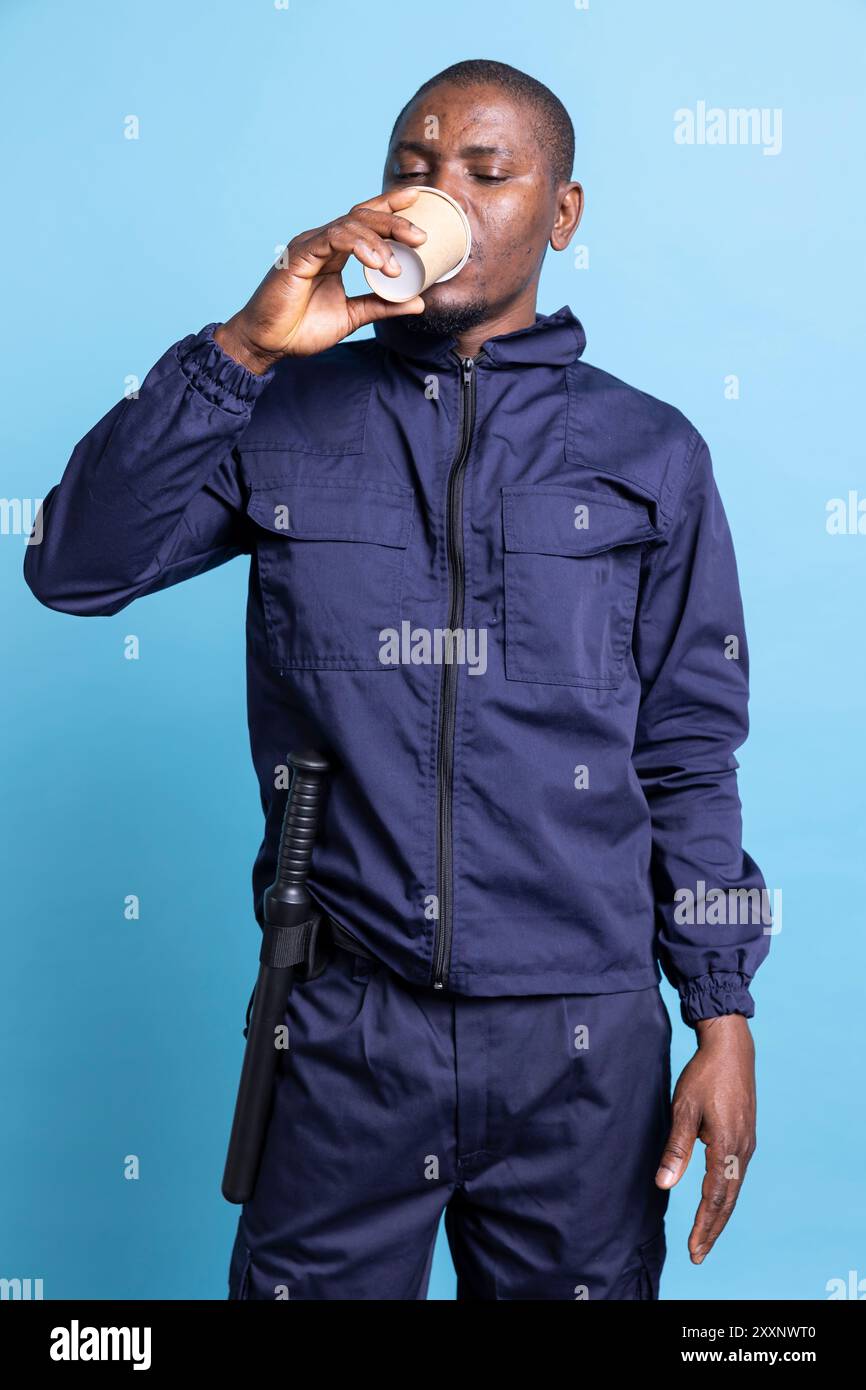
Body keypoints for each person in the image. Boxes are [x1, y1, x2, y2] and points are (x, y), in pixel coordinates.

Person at [24, 58, 771, 1301]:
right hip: (345, 1029)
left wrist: (722, 1015)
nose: (442, 197)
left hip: (580, 1043)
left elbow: (690, 749)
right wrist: (244, 348)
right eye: (412, 172)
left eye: (488, 172)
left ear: (562, 213)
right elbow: (73, 566)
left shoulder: (652, 453)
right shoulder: (278, 412)